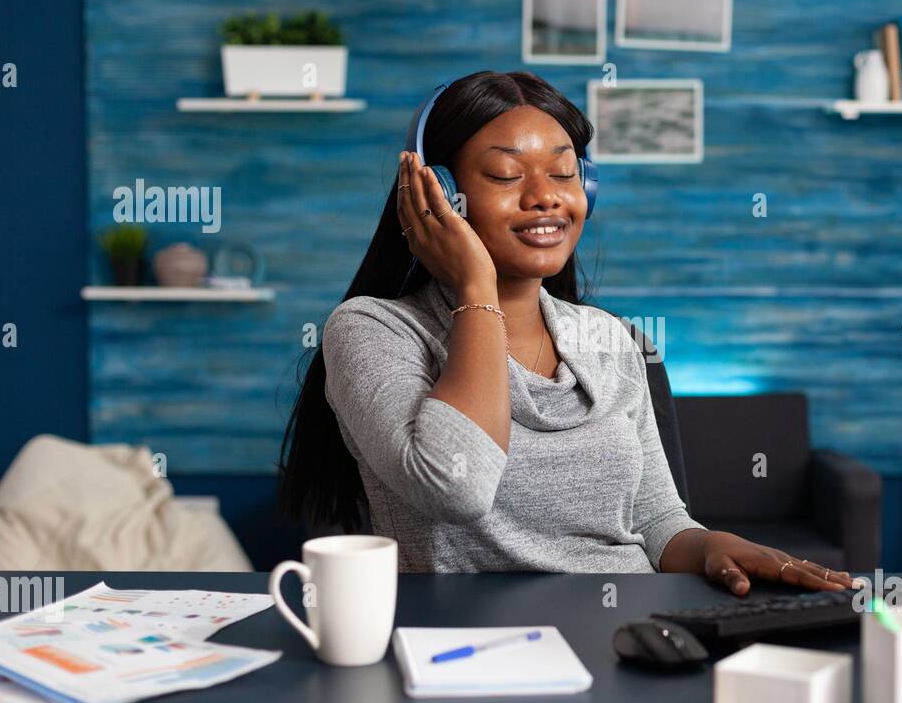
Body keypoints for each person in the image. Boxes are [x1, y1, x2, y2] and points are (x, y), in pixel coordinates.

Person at [278, 70, 854, 596]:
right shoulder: (373, 330)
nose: (546, 196)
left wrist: (708, 545)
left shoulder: (609, 339)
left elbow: (655, 521)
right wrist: (477, 288)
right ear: (440, 193)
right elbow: (456, 488)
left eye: (563, 172)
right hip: (464, 652)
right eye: (506, 174)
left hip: (626, 629)